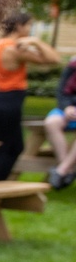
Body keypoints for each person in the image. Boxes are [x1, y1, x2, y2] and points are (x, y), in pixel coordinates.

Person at [0, 11, 59, 182]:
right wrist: (35, 41)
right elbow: (54, 59)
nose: (30, 29)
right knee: (12, 148)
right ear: (19, 26)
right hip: (9, 102)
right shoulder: (15, 48)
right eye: (29, 25)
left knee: (1, 145)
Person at [43, 57, 76, 190]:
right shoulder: (73, 65)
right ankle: (67, 169)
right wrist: (67, 107)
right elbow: (62, 91)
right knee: (52, 122)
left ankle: (61, 170)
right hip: (69, 109)